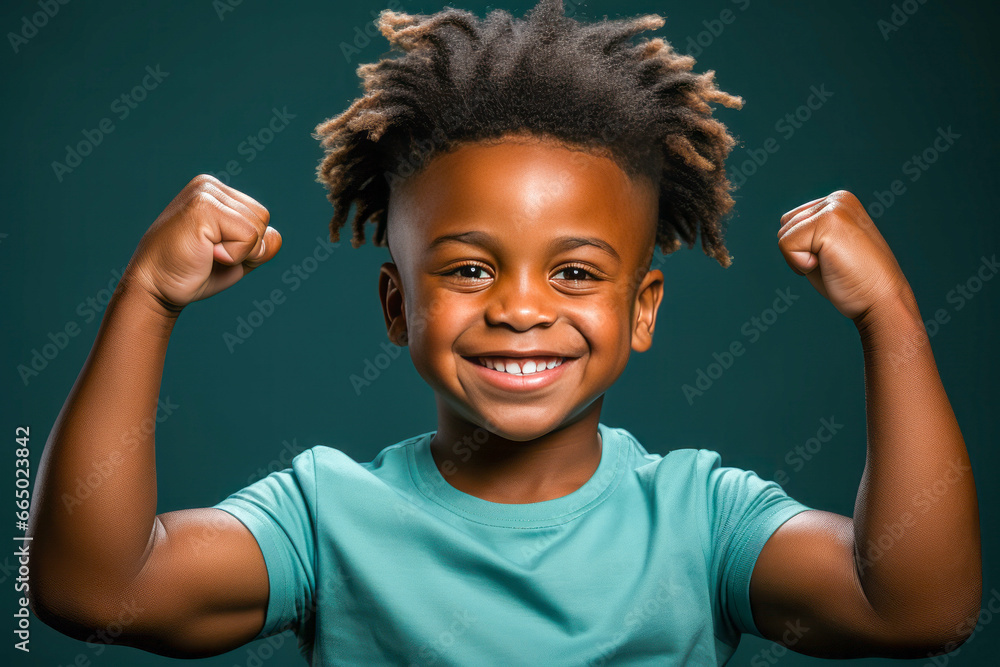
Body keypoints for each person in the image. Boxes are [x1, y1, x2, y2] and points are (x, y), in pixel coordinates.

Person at [27, 0, 981, 664]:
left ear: (641, 309)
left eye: (573, 272)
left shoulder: (702, 517)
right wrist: (146, 298)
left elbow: (918, 611)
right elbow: (93, 592)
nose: (521, 307)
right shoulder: (327, 517)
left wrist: (889, 316)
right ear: (399, 306)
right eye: (470, 268)